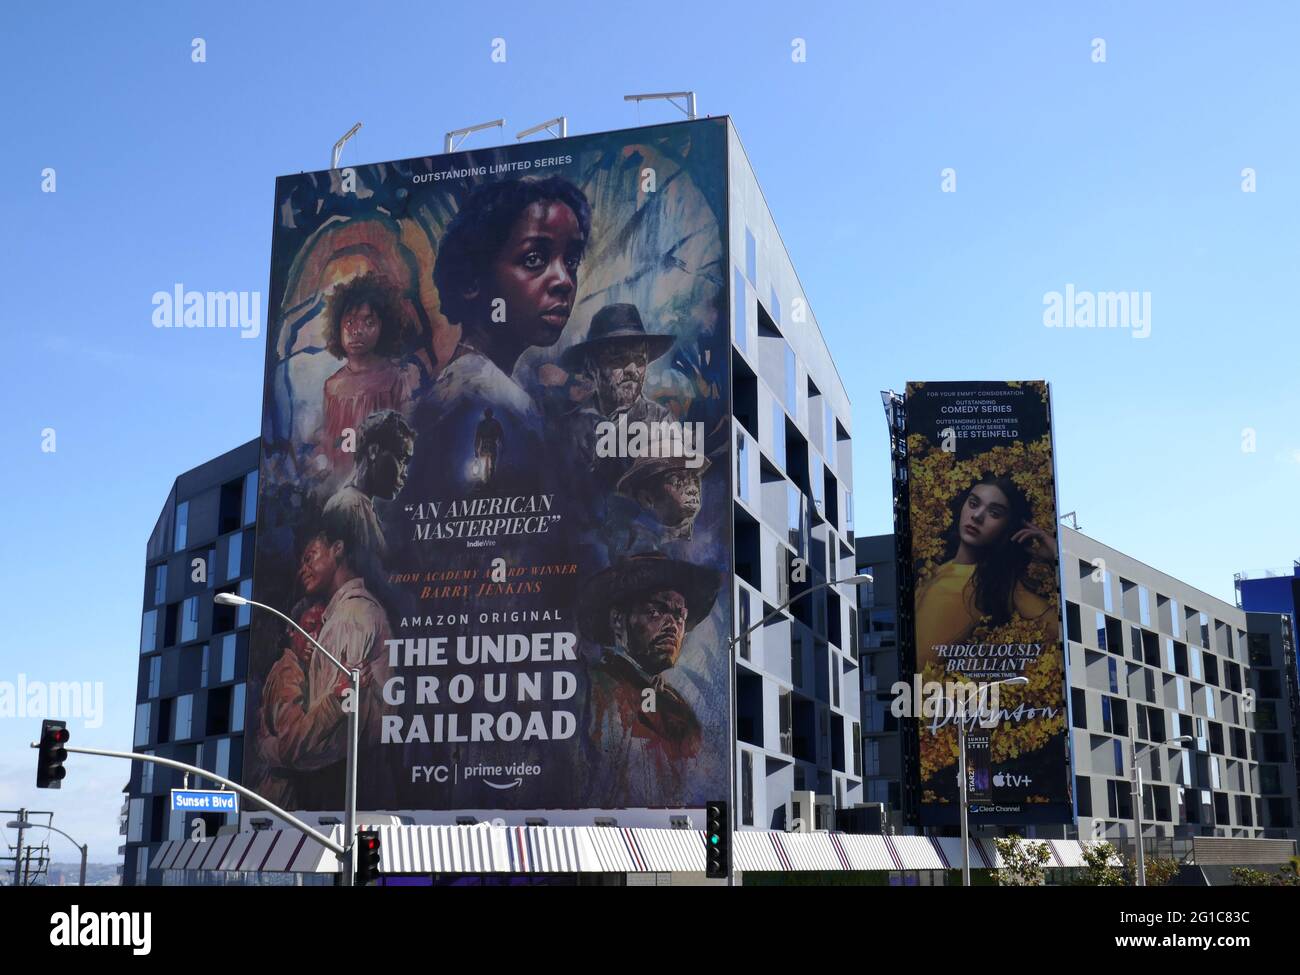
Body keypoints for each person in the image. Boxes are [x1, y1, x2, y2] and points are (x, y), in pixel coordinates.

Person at [407, 176, 590, 495]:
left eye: (570, 261)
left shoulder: (473, 387)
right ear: (471, 282)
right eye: (534, 259)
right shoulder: (485, 399)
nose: (564, 280)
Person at [253, 508, 393, 809]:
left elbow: (313, 746)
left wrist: (269, 749)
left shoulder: (348, 618)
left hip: (340, 794)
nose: (302, 569)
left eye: (310, 557)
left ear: (338, 548)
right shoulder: (341, 616)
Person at [573, 552, 722, 807]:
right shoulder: (591, 686)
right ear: (618, 620)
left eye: (680, 616)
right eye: (655, 612)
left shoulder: (679, 709)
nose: (672, 625)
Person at [914, 474, 1060, 674]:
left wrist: (1054, 555)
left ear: (1008, 527)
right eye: (973, 503)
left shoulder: (1002, 585)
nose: (977, 516)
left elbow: (1062, 631)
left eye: (994, 513)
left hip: (941, 699)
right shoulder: (931, 568)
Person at [316, 272, 418, 482]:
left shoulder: (394, 379)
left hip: (381, 485)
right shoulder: (332, 386)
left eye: (369, 322)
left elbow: (406, 438)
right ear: (338, 325)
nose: (357, 331)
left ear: (385, 327)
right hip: (338, 485)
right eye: (350, 322)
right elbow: (328, 441)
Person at [322, 409, 415, 575]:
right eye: (401, 459)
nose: (405, 472)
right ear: (373, 451)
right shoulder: (347, 506)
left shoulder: (358, 505)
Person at [608, 454, 710, 555]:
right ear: (646, 498)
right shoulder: (634, 544)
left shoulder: (702, 540)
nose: (692, 490)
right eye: (677, 482)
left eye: (694, 479)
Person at [473, 407, 505, 485]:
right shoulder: (493, 423)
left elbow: (501, 435)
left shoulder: (489, 423)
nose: (488, 415)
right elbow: (477, 438)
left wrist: (476, 449)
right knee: (488, 465)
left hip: (489, 445)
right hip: (488, 446)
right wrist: (476, 449)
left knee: (491, 465)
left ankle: (490, 482)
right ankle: (487, 482)